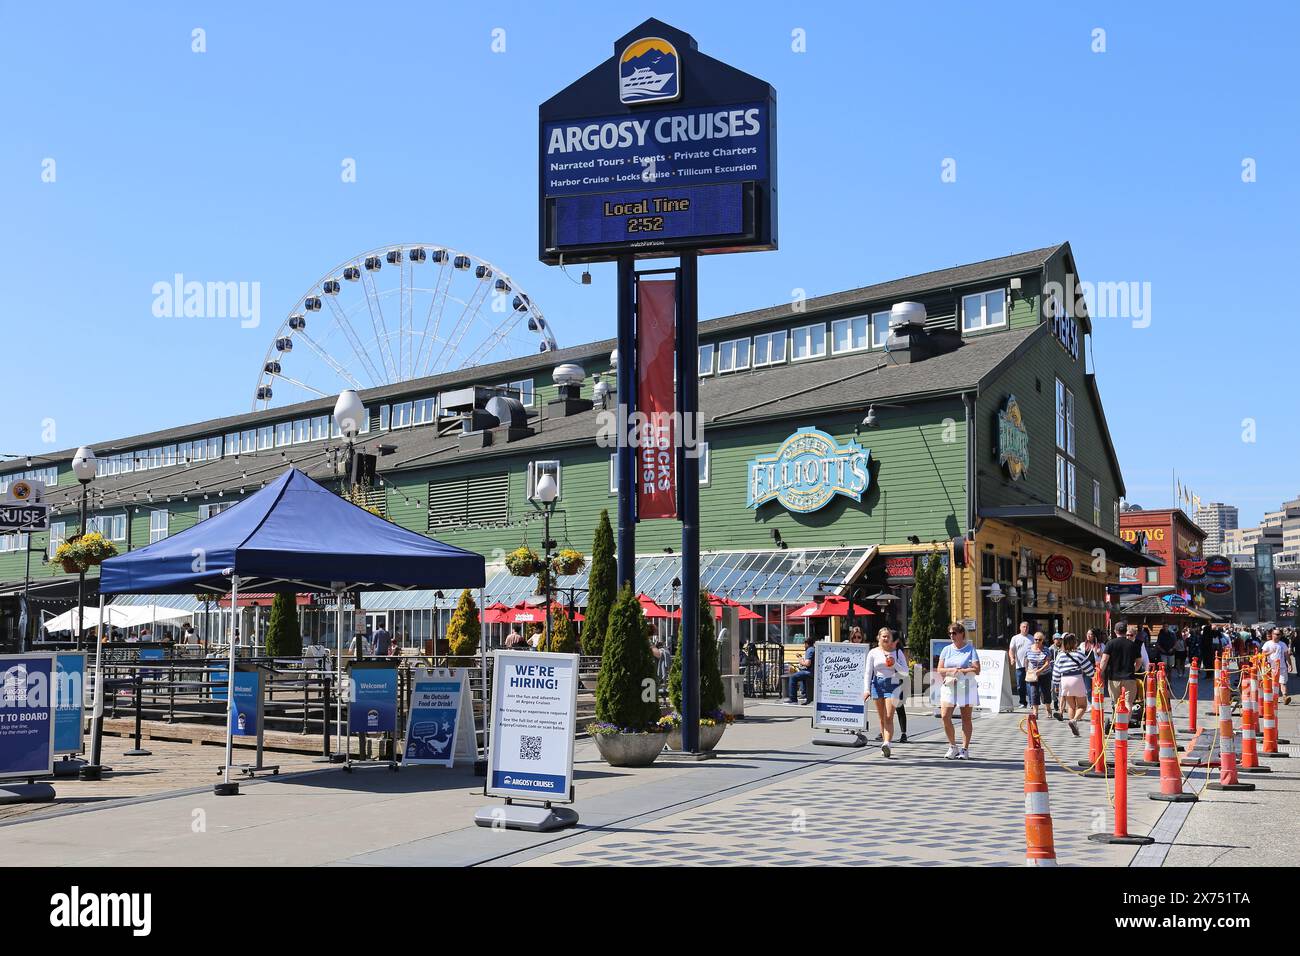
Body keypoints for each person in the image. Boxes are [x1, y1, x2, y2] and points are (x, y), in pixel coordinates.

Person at [936, 622, 980, 759]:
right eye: (949, 633)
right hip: (949, 685)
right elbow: (939, 669)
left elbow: (977, 669)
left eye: (954, 633)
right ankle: (952, 746)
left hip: (966, 686)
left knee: (966, 718)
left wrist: (962, 671)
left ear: (962, 634)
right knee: (944, 716)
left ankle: (965, 749)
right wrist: (951, 670)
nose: (951, 636)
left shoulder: (970, 649)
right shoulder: (946, 650)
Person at [864, 627, 905, 757]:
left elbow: (905, 671)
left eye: (888, 636)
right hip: (877, 684)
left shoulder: (897, 652)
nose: (886, 638)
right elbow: (868, 672)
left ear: (892, 639)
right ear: (879, 638)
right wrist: (866, 689)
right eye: (883, 636)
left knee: (888, 717)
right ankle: (884, 744)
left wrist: (894, 664)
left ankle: (887, 743)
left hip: (892, 684)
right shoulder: (873, 652)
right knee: (881, 718)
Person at [1098, 621, 1143, 729]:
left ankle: (1118, 723)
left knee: (1117, 702)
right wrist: (1134, 669)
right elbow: (1139, 661)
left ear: (1115, 631)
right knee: (1128, 703)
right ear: (1125, 631)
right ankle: (1124, 726)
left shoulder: (1110, 644)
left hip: (1114, 678)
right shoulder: (1133, 645)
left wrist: (1100, 672)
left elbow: (1104, 660)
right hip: (1129, 678)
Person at [1053, 632, 1095, 736]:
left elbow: (1056, 671)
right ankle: (1074, 720)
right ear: (1074, 643)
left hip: (1064, 680)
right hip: (1076, 679)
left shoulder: (1060, 655)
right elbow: (1089, 669)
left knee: (1071, 706)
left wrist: (1056, 685)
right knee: (1082, 706)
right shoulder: (1079, 654)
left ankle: (1074, 730)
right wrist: (1093, 676)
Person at [1023, 632, 1051, 720]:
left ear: (1043, 640)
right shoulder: (1028, 649)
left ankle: (1048, 708)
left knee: (1045, 692)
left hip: (1045, 674)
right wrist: (1027, 669)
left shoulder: (1046, 650)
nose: (1037, 641)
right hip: (1033, 675)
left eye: (1039, 640)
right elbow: (1026, 660)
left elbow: (1047, 663)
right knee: (1034, 693)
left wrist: (1040, 670)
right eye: (1035, 639)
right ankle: (1035, 712)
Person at [1008, 621, 1033, 711]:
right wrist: (1012, 658)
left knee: (1030, 684)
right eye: (1023, 627)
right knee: (1020, 685)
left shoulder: (1032, 638)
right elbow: (1011, 650)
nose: (1025, 628)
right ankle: (1023, 702)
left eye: (1026, 627)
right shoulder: (1015, 638)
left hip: (1030, 666)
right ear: (1020, 627)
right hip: (1019, 665)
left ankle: (1031, 703)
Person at [1262, 627, 1290, 705]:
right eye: (1275, 634)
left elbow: (1286, 655)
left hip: (1282, 667)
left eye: (1278, 634)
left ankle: (1285, 697)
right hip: (1271, 667)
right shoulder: (1267, 644)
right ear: (1272, 635)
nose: (1277, 636)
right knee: (1274, 684)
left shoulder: (1283, 644)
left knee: (1283, 682)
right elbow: (1263, 654)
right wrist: (1271, 652)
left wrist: (1289, 664)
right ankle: (1274, 698)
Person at [786, 636, 815, 705]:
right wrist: (801, 658)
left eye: (804, 644)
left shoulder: (809, 650)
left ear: (807, 644)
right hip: (813, 671)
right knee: (802, 675)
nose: (803, 646)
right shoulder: (813, 649)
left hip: (810, 672)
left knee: (793, 677)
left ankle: (793, 700)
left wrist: (799, 659)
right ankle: (805, 694)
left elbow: (807, 663)